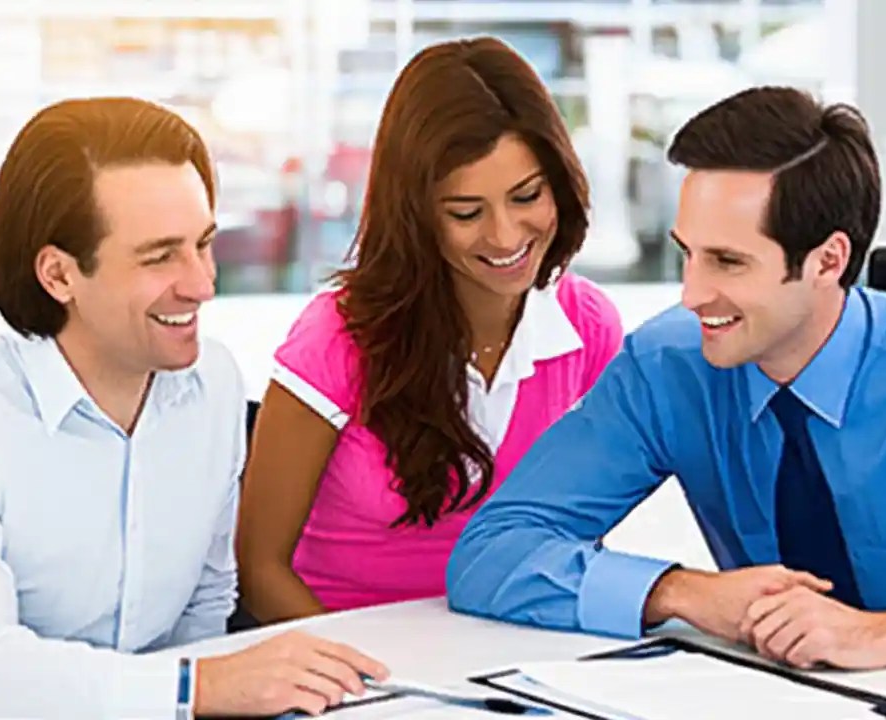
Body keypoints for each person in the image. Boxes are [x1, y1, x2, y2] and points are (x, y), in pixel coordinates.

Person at [447, 86, 886, 670]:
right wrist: (683, 592)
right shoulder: (667, 367)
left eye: (727, 262)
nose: (691, 294)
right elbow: (492, 553)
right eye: (688, 254)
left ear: (827, 260)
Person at [0, 97, 386, 719]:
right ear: (59, 276)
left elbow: (205, 606)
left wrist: (206, 695)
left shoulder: (212, 385)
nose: (202, 284)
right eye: (161, 256)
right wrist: (197, 688)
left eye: (204, 244)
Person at [235, 37, 623, 621]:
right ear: (416, 214)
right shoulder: (337, 337)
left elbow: (578, 541)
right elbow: (259, 570)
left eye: (527, 196)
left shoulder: (589, 329)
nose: (505, 235)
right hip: (346, 657)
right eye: (466, 212)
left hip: (514, 647)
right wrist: (361, 675)